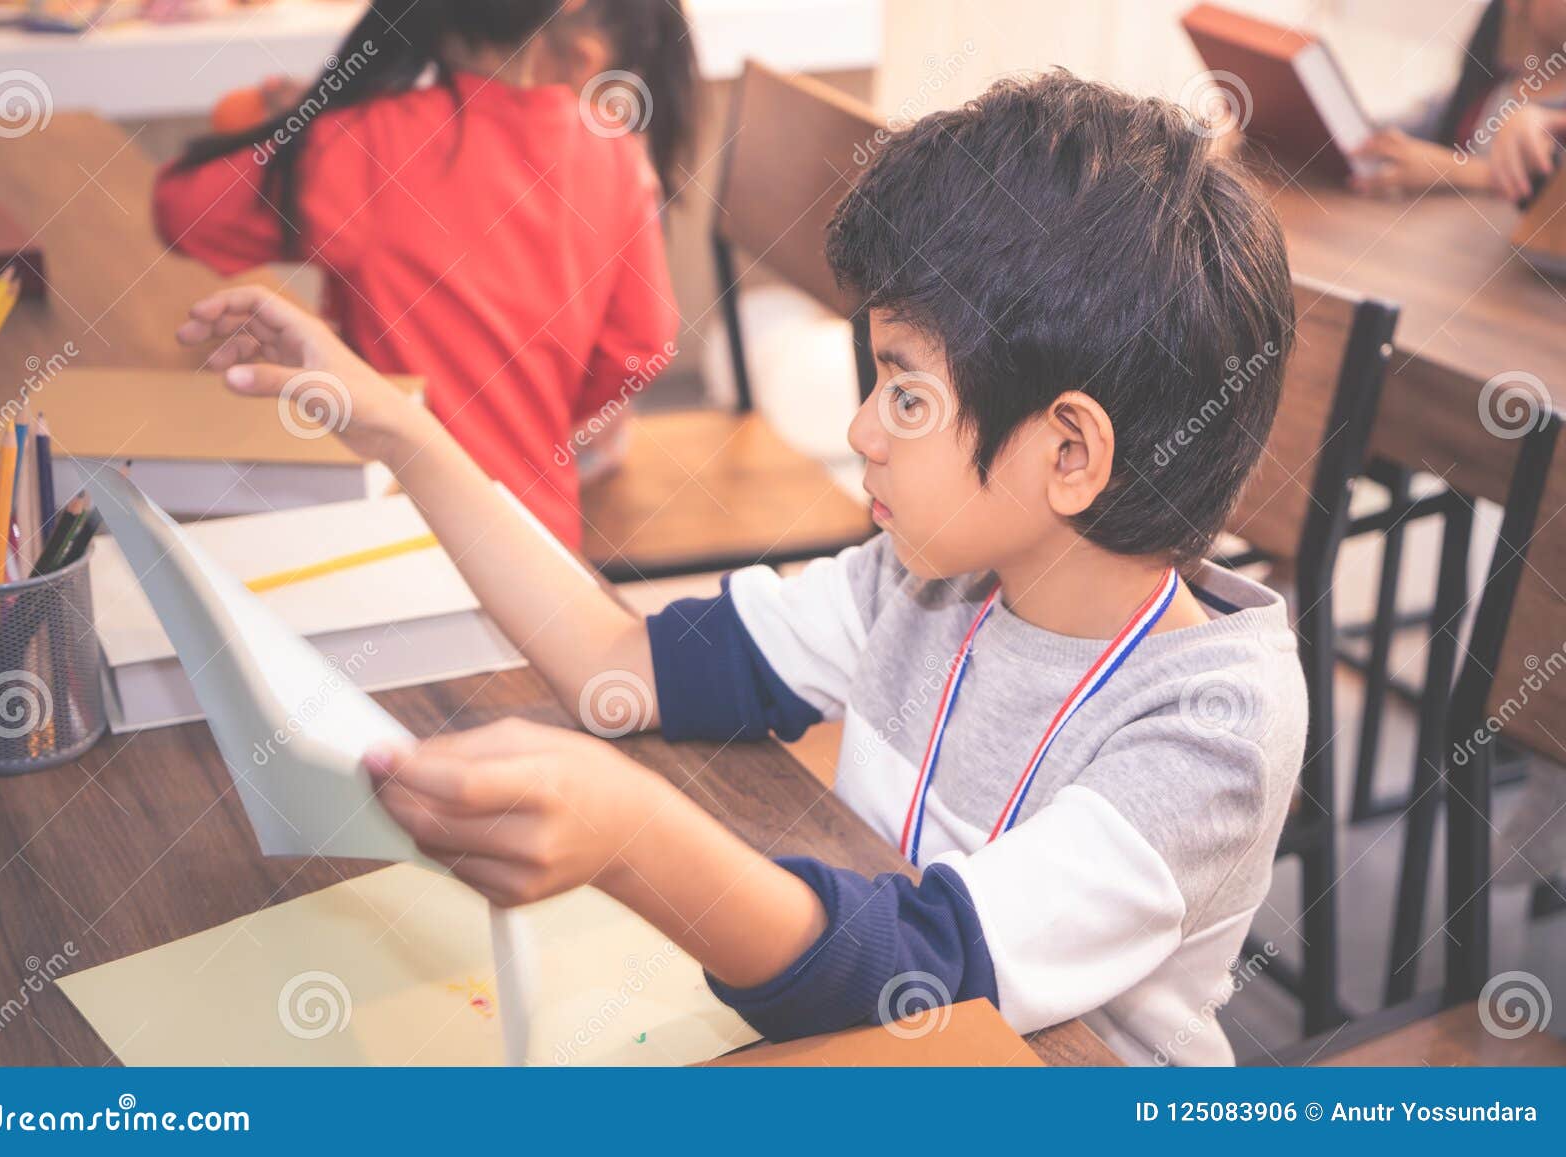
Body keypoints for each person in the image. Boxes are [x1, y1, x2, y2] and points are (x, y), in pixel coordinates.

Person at [175, 71, 1305, 1066]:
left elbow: (919, 967)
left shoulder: (1209, 726)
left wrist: (633, 836)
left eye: (905, 393)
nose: (862, 429)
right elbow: (622, 661)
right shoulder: (923, 578)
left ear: (1069, 452)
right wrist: (400, 433)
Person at [154, 0, 697, 547]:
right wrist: (535, 417)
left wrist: (297, 129)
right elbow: (643, 345)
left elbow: (181, 210)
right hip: (539, 542)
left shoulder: (363, 143)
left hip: (397, 536)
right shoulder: (611, 148)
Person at [1352, 0, 1566, 200]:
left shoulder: (1555, 117)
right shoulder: (1486, 87)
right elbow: (1396, 132)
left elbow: (1554, 198)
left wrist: (1457, 172)